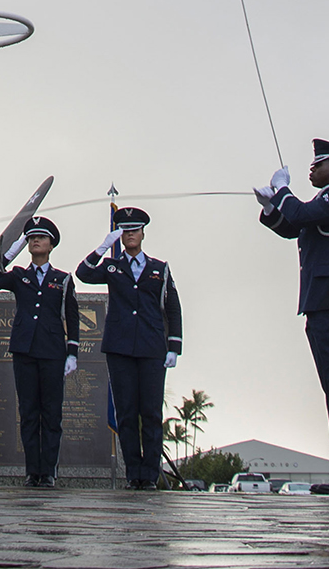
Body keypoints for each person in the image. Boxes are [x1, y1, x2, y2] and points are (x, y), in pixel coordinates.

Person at [255, 137, 329, 495]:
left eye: (319, 164)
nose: (312, 168)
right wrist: (270, 207)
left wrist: (282, 192)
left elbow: (301, 214)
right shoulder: (323, 201)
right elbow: (292, 226)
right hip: (321, 301)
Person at [75, 203, 182, 488]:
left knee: (150, 412)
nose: (130, 234)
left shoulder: (160, 269)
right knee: (126, 413)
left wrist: (174, 347)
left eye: (134, 230)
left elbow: (173, 308)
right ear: (119, 235)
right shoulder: (112, 266)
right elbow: (82, 274)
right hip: (120, 348)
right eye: (124, 231)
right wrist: (101, 248)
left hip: (151, 348)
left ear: (143, 233)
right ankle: (133, 472)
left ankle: (150, 474)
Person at [0, 215, 81, 487]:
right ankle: (32, 471)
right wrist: (8, 254)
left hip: (52, 352)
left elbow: (72, 318)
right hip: (25, 351)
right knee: (28, 413)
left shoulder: (62, 279)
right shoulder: (19, 276)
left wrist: (72, 352)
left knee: (51, 414)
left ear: (51, 245)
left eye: (41, 237)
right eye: (31, 238)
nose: (35, 241)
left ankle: (49, 471)